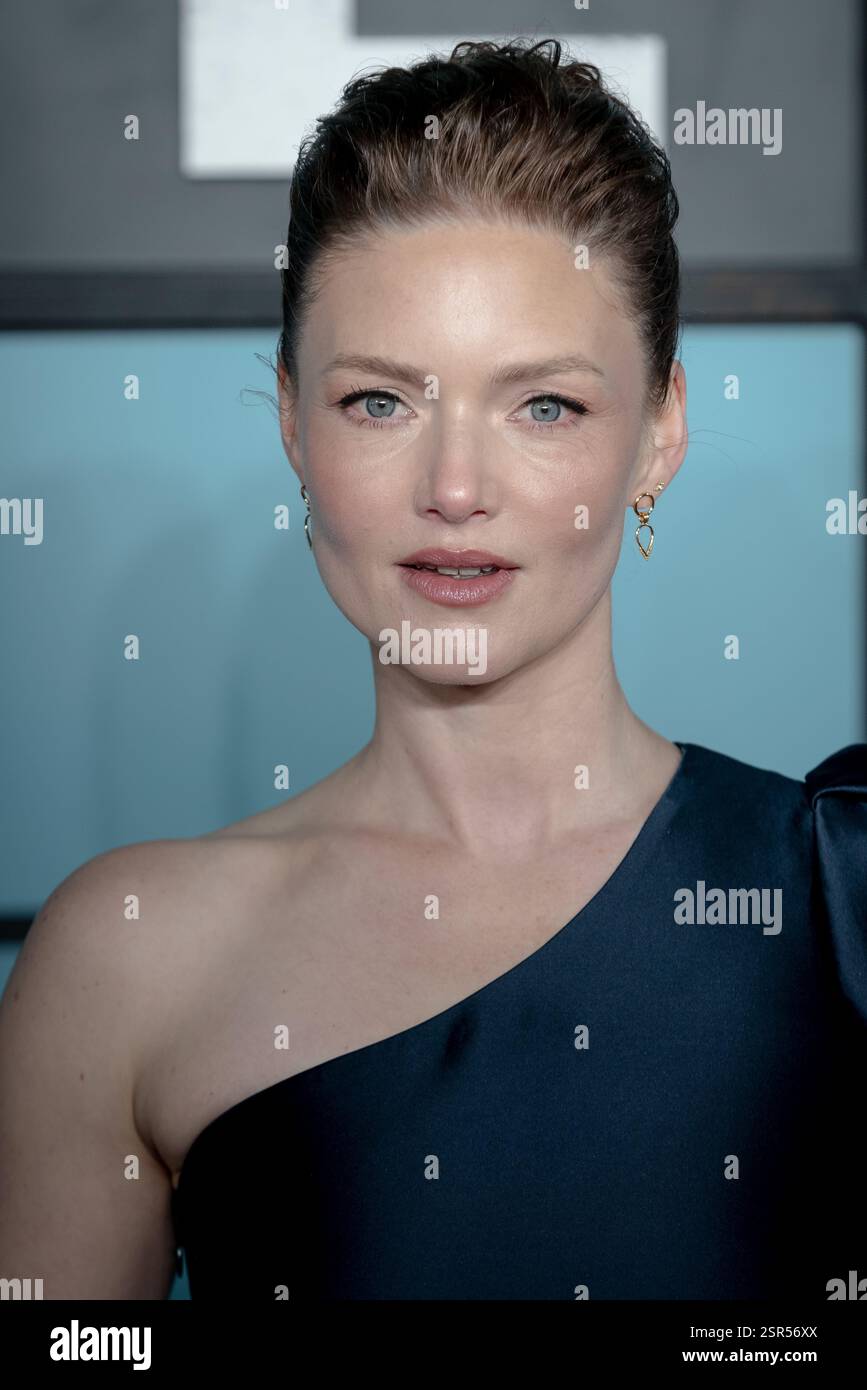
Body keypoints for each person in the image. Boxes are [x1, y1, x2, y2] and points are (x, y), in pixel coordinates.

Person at [0, 37, 864, 1302]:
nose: (454, 490)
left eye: (545, 406)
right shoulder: (126, 964)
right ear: (291, 420)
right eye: (380, 403)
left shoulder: (837, 892)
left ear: (661, 430)